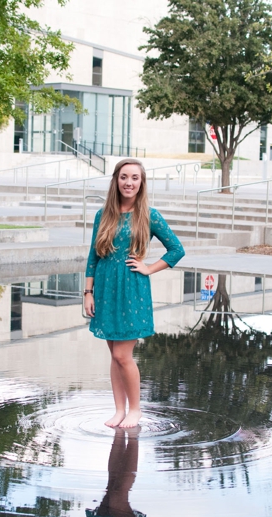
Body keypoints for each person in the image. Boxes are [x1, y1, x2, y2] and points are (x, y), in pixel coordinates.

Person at [84, 158, 185, 428]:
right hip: (105, 290)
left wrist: (149, 268)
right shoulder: (103, 214)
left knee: (122, 355)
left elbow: (177, 249)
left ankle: (136, 410)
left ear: (141, 183)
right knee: (114, 355)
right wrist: (88, 291)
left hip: (132, 290)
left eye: (135, 178)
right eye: (124, 177)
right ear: (116, 180)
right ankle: (119, 410)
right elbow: (93, 256)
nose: (129, 182)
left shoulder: (149, 215)